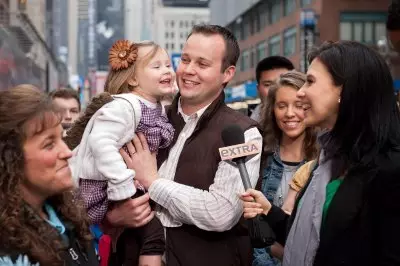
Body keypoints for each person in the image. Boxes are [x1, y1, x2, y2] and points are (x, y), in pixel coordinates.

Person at [241, 41, 400, 266]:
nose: (302, 92)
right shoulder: (325, 163)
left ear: (344, 90)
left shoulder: (390, 170)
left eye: (311, 81)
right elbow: (306, 238)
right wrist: (268, 210)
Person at [114, 24, 262, 266]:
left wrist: (153, 183)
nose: (188, 71)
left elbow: (221, 212)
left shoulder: (243, 132)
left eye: (202, 64)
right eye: (185, 60)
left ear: (227, 73)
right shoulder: (149, 120)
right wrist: (115, 216)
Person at [68, 40, 175, 266]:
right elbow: (101, 142)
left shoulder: (157, 108)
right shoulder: (124, 106)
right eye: (156, 66)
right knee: (153, 232)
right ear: (133, 79)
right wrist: (122, 183)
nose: (167, 70)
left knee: (132, 239)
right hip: (101, 186)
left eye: (168, 64)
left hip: (123, 186)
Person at [0, 85, 98, 265]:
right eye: (49, 145)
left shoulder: (64, 215)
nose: (67, 152)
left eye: (61, 138)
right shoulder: (8, 251)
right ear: (10, 158)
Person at [253, 71, 317, 266]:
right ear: (272, 110)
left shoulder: (325, 162)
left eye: (299, 106)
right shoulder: (258, 158)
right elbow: (251, 226)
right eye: (282, 106)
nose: (290, 113)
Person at [250, 56, 294, 122]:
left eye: (284, 83)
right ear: (258, 89)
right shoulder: (246, 127)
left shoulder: (311, 124)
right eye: (268, 85)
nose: (275, 90)